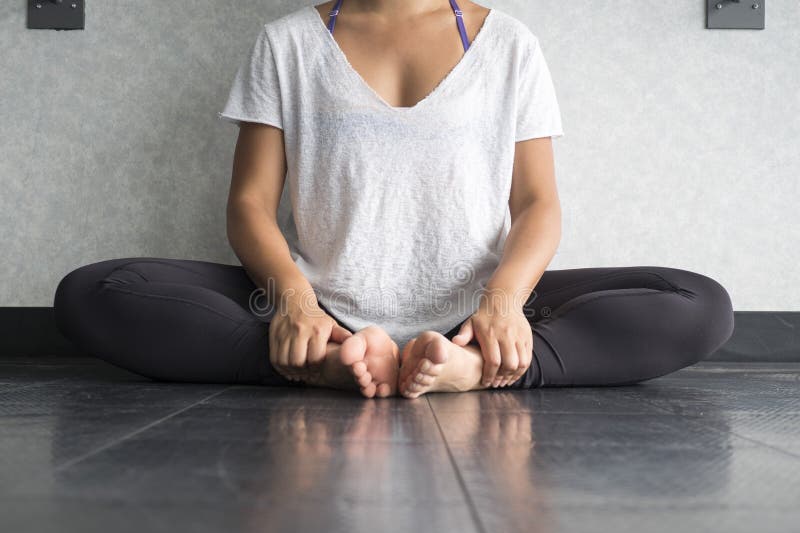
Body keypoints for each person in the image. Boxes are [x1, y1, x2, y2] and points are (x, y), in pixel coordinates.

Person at [53, 0, 735, 399]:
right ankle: (323, 362)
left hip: (477, 313)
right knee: (95, 291)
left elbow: (538, 205)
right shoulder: (286, 43)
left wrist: (502, 304)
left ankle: (474, 369)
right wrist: (293, 303)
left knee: (699, 304)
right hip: (322, 310)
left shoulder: (509, 44)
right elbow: (250, 205)